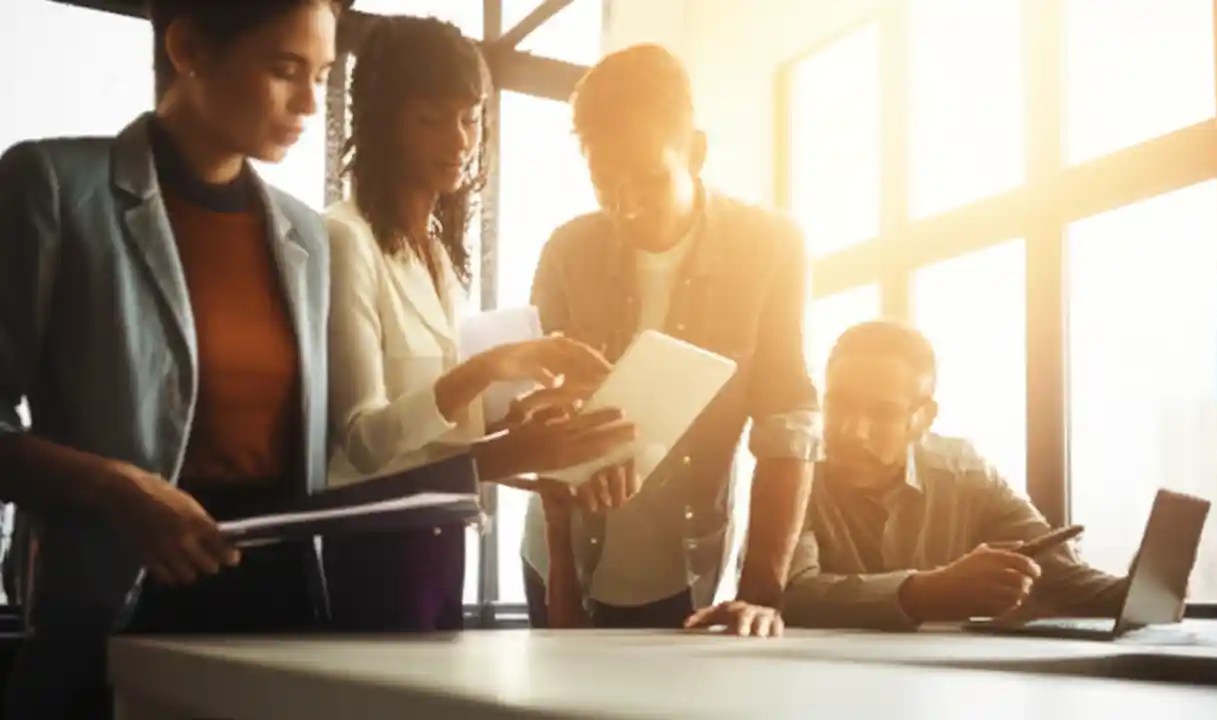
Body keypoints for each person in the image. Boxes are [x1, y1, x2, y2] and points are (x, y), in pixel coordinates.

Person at [0, 1, 346, 715]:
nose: (311, 102)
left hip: (276, 613)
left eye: (323, 75)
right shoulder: (55, 187)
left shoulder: (306, 238)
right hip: (114, 607)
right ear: (188, 46)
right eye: (286, 70)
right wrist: (116, 487)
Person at [324, 16, 635, 632]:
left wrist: (524, 421)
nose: (460, 140)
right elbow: (364, 445)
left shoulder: (435, 255)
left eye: (470, 118)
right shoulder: (343, 238)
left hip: (444, 540)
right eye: (431, 118)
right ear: (384, 122)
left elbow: (444, 437)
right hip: (375, 549)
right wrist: (493, 366)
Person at [521, 44, 822, 636]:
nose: (625, 204)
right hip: (560, 559)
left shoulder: (771, 247)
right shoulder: (566, 249)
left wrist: (763, 593)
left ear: (698, 152)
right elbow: (529, 402)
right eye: (603, 180)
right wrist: (575, 449)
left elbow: (788, 422)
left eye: (649, 177)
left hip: (682, 572)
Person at [784, 321, 1127, 630]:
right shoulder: (793, 475)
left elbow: (1059, 576)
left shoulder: (966, 472)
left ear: (925, 418)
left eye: (883, 413)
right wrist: (924, 593)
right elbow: (789, 594)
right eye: (840, 405)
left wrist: (1135, 591)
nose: (853, 432)